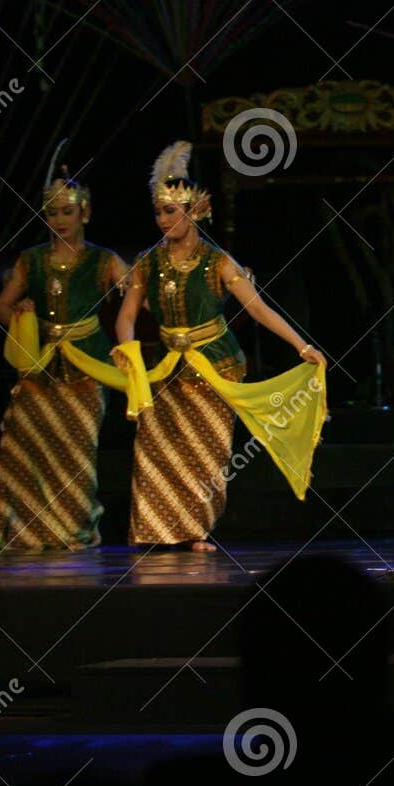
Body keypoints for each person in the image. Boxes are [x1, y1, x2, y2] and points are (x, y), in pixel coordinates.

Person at [113, 142, 327, 551]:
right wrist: (128, 349)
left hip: (215, 365)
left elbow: (260, 311)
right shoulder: (147, 262)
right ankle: (154, 529)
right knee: (157, 449)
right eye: (158, 211)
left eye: (171, 211)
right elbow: (126, 316)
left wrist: (302, 346)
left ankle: (195, 530)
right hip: (164, 366)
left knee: (205, 452)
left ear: (194, 211)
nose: (162, 220)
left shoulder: (218, 261)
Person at [0, 150, 128, 551]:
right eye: (52, 213)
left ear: (85, 213)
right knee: (23, 448)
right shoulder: (30, 261)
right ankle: (26, 533)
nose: (60, 220)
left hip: (88, 369)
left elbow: (140, 294)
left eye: (67, 211)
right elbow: (0, 304)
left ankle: (72, 531)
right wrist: (20, 316)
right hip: (41, 367)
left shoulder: (104, 261)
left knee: (77, 454)